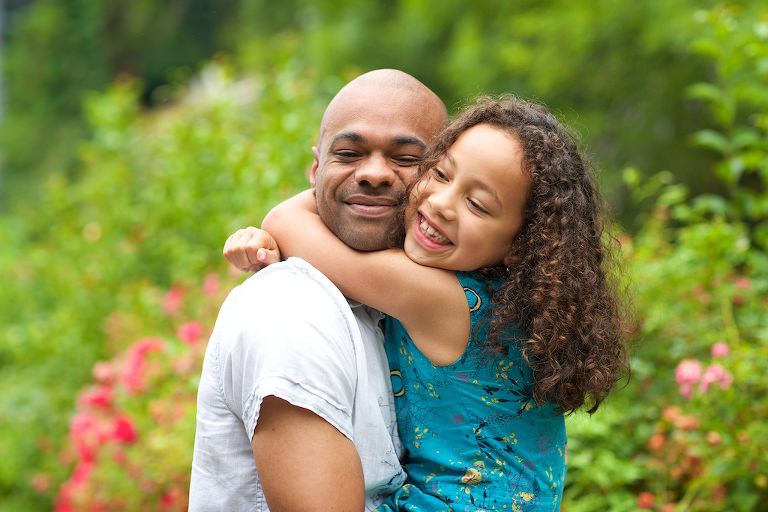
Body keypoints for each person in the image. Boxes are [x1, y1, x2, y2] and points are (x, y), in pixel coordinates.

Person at [224, 96, 630, 510]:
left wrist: (341, 182)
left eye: (477, 204)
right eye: (439, 173)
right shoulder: (511, 303)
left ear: (520, 246)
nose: (440, 203)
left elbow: (285, 222)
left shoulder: (440, 299)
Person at [189, 69, 449, 511]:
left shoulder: (393, 303)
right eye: (349, 153)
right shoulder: (292, 313)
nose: (373, 173)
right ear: (315, 169)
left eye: (406, 158)